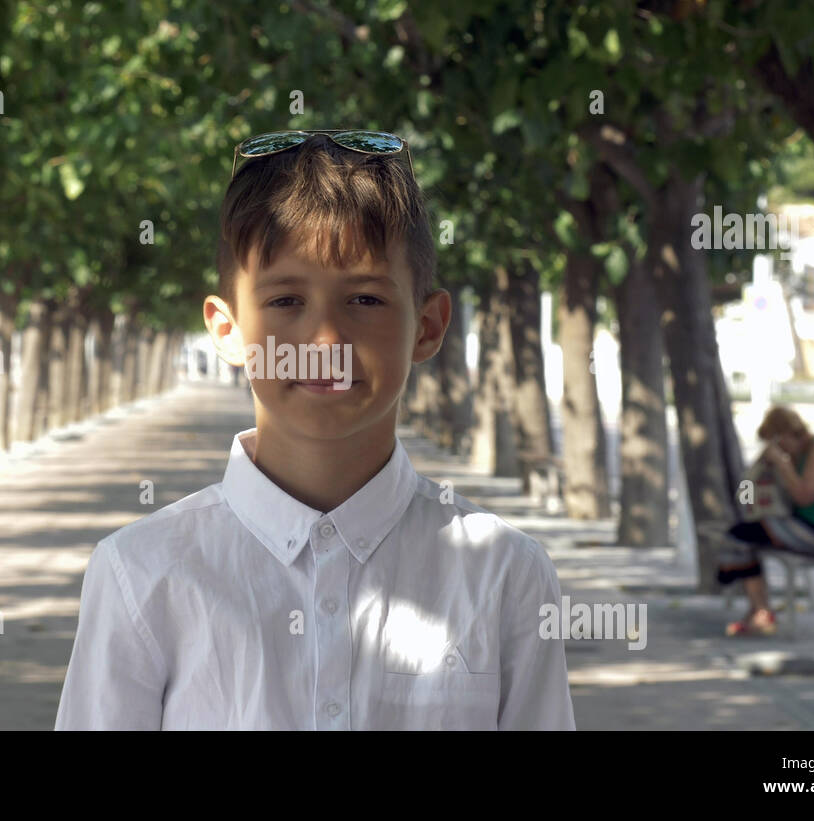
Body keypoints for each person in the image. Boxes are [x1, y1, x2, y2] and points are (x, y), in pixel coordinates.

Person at [54, 131, 575, 730]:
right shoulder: (141, 572)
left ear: (428, 326)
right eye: (285, 301)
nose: (325, 341)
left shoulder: (504, 572)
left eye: (365, 300)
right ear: (227, 330)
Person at [715, 405, 814, 637]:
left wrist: (782, 464)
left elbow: (805, 496)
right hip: (803, 525)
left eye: (778, 441)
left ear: (786, 434)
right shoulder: (799, 454)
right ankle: (759, 609)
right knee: (739, 536)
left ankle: (761, 612)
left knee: (738, 537)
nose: (780, 448)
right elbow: (750, 491)